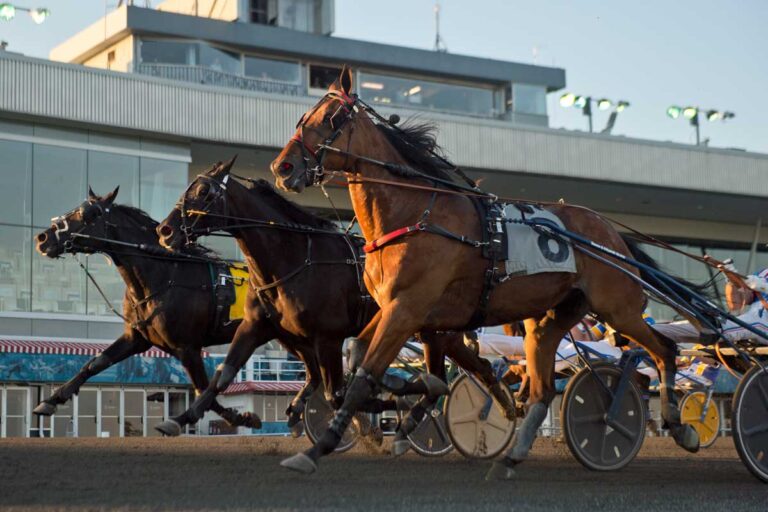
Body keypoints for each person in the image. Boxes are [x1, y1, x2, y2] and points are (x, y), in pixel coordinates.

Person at [652, 267, 768, 346]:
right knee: (708, 324)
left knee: (721, 329)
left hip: (760, 325)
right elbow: (744, 299)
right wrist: (733, 280)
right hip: (750, 320)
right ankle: (653, 330)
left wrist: (763, 287)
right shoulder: (763, 272)